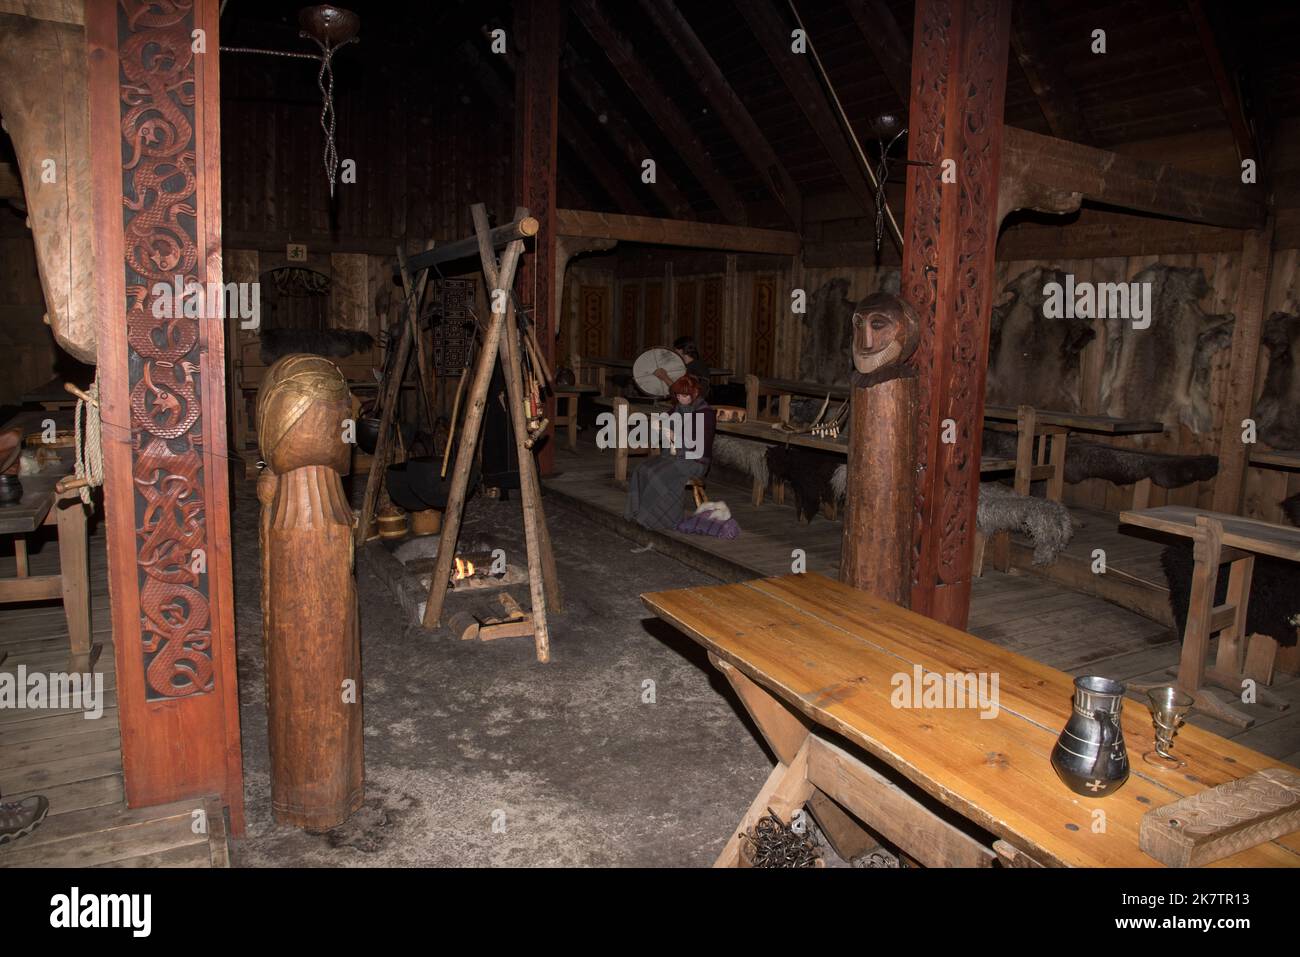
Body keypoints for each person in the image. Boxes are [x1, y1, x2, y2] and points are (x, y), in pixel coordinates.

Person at [625, 374, 716, 529]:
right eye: (678, 395)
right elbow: (663, 423)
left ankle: (653, 519)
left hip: (695, 461)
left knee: (657, 476)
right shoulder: (677, 409)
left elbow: (698, 445)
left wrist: (675, 436)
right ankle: (637, 511)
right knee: (643, 469)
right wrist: (657, 426)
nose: (681, 398)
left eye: (685, 395)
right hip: (675, 456)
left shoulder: (705, 414)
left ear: (694, 394)